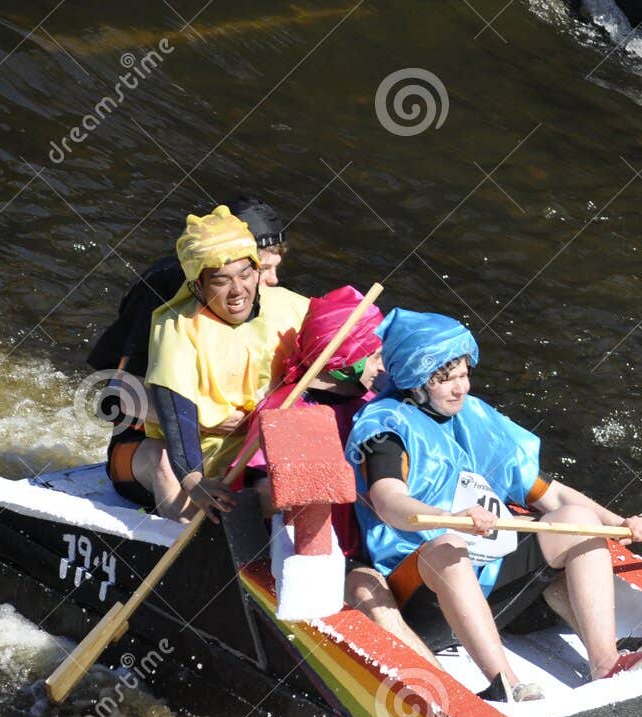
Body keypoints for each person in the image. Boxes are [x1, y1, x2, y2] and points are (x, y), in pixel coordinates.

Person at [345, 310, 642, 702]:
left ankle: (606, 663)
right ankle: (507, 684)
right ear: (415, 381)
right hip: (423, 592)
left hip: (489, 575)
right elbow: (389, 501)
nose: (460, 388)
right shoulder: (385, 428)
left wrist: (619, 522)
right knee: (449, 547)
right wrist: (452, 521)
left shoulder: (476, 416)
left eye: (463, 374)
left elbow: (550, 495)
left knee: (579, 521)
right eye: (444, 379)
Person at [240, 286, 437, 662]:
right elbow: (263, 496)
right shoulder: (285, 409)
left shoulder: (372, 403)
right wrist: (321, 483)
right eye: (375, 356)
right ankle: (439, 691)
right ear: (346, 359)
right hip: (327, 552)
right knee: (375, 598)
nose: (383, 367)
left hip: (381, 537)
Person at [106, 205, 307, 521]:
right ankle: (184, 539)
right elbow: (117, 399)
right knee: (164, 461)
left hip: (240, 453)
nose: (271, 280)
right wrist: (198, 443)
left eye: (250, 273)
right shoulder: (171, 314)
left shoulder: (287, 306)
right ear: (198, 285)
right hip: (159, 445)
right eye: (222, 279)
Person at [86, 195, 288, 381]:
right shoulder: (165, 285)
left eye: (275, 267)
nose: (274, 280)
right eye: (266, 268)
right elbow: (126, 380)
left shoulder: (252, 293)